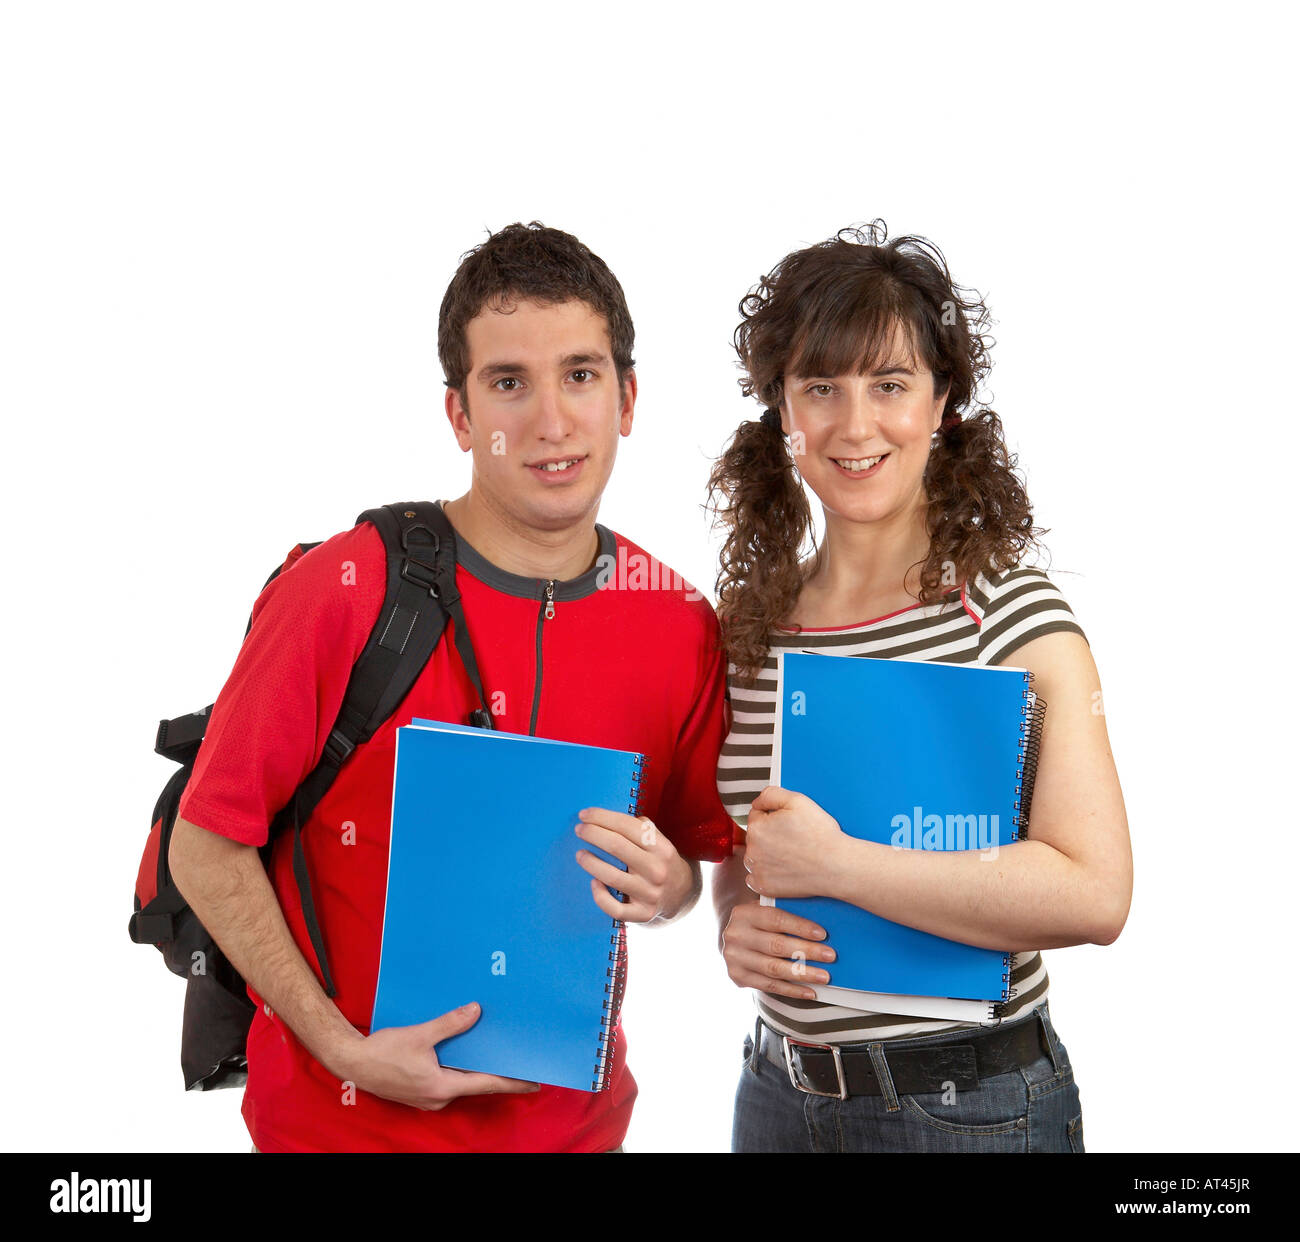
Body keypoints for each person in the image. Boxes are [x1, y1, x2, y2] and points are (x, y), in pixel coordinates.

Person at [167, 221, 735, 1153]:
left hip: (578, 1134)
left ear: (628, 398)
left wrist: (670, 887)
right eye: (509, 382)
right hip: (337, 1132)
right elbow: (206, 844)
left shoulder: (676, 620)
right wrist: (345, 1053)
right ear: (461, 416)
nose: (551, 421)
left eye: (581, 375)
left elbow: (685, 866)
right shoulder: (344, 590)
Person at [708, 221, 1132, 1153]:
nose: (854, 426)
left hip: (968, 1114)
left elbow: (1095, 894)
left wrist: (841, 868)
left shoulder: (1012, 618)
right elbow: (749, 852)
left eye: (890, 386)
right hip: (777, 1095)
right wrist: (735, 921)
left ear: (942, 404)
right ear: (783, 408)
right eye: (820, 388)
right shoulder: (748, 627)